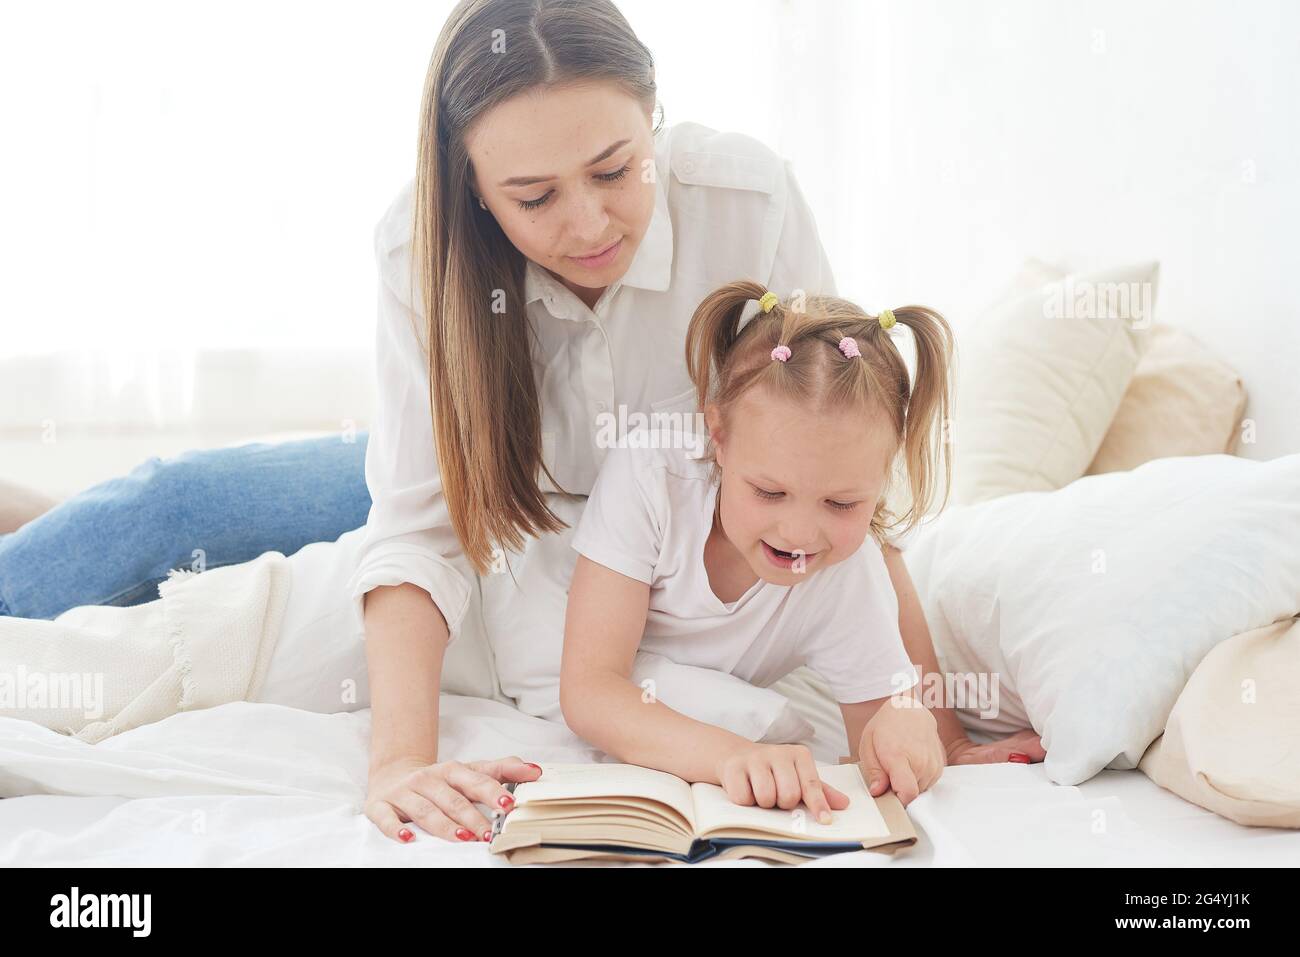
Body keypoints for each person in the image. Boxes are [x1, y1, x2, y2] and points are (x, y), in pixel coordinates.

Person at [0, 0, 1045, 845]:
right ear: (472, 188)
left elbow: (831, 444)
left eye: (613, 169)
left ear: (655, 124)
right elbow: (417, 525)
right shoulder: (424, 252)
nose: (589, 224)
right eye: (534, 196)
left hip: (660, 529)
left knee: (195, 549)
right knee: (172, 507)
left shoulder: (746, 197)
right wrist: (401, 761)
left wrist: (937, 731)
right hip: (494, 491)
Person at [561, 283, 951, 818]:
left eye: (841, 503)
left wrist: (907, 727)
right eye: (769, 493)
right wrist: (730, 756)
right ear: (717, 435)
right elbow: (589, 690)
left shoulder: (846, 564)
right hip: (559, 639)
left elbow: (880, 726)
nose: (798, 534)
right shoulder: (652, 475)